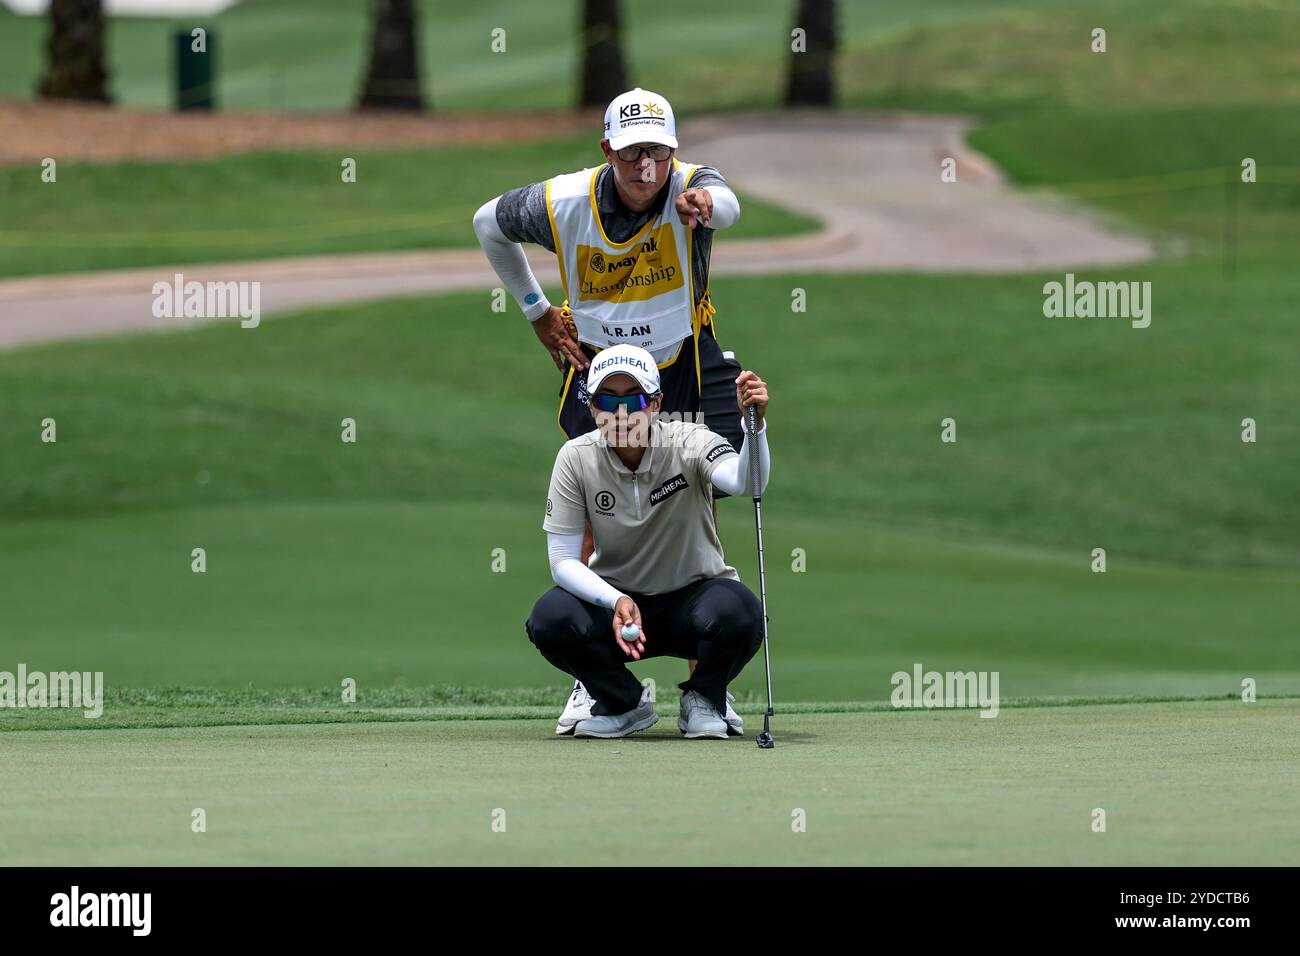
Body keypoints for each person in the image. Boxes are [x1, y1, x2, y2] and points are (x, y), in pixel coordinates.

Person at [474, 87, 747, 732]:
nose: (646, 170)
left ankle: (709, 679)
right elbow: (488, 223)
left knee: (700, 499)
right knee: (593, 505)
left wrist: (708, 205)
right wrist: (538, 312)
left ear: (673, 152)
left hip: (682, 360)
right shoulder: (562, 201)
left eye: (656, 153)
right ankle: (596, 678)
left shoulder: (692, 188)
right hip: (604, 373)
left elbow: (728, 203)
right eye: (631, 156)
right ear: (607, 153)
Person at [525, 344, 771, 739]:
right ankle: (622, 703)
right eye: (607, 400)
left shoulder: (690, 440)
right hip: (618, 607)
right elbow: (562, 562)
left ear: (655, 404)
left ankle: (704, 699)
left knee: (740, 612)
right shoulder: (575, 457)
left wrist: (753, 429)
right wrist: (616, 600)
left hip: (694, 602)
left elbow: (746, 482)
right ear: (592, 408)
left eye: (634, 400)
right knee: (550, 617)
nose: (620, 414)